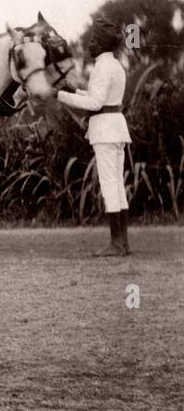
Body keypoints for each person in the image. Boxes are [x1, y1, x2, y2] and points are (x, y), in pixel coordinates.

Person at [58, 16, 133, 256]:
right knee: (117, 184)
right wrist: (74, 90)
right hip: (116, 127)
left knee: (109, 184)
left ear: (101, 43)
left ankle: (116, 243)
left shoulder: (102, 66)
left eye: (93, 40)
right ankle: (123, 242)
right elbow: (101, 97)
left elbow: (95, 102)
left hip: (105, 130)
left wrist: (61, 95)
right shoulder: (116, 65)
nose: (90, 44)